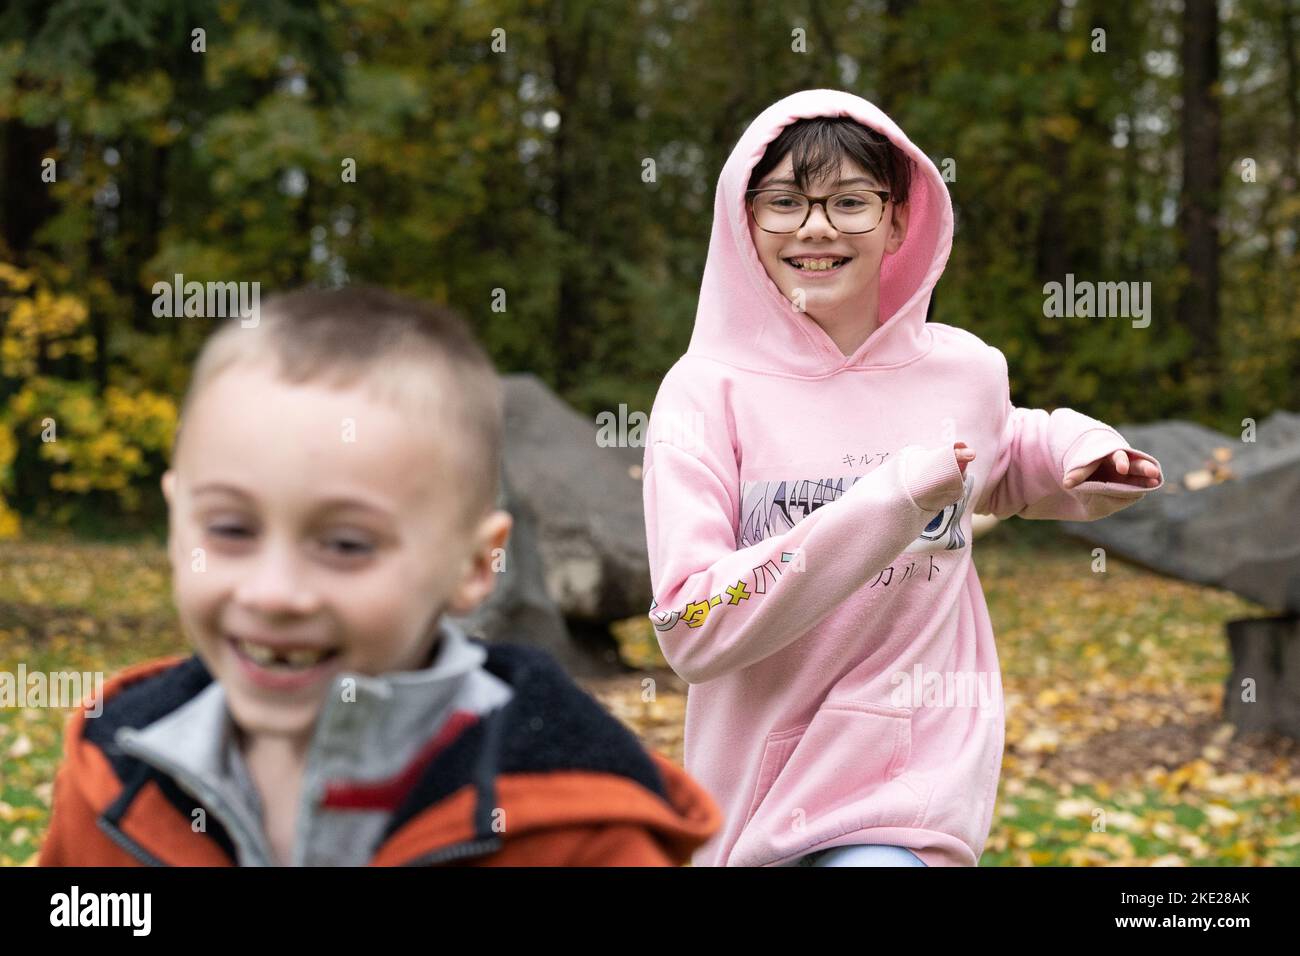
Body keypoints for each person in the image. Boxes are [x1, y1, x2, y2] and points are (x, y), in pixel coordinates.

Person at [641, 89, 1164, 867]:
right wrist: (889, 500)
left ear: (896, 221)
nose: (816, 226)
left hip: (914, 777)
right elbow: (692, 623)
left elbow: (1003, 449)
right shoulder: (704, 393)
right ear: (743, 220)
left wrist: (1074, 452)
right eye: (784, 201)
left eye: (849, 201)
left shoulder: (964, 370)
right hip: (755, 788)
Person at [39, 286, 720, 866]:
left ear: (477, 565)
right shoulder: (111, 778)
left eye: (344, 544)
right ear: (175, 521)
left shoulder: (578, 828)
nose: (274, 592)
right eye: (231, 530)